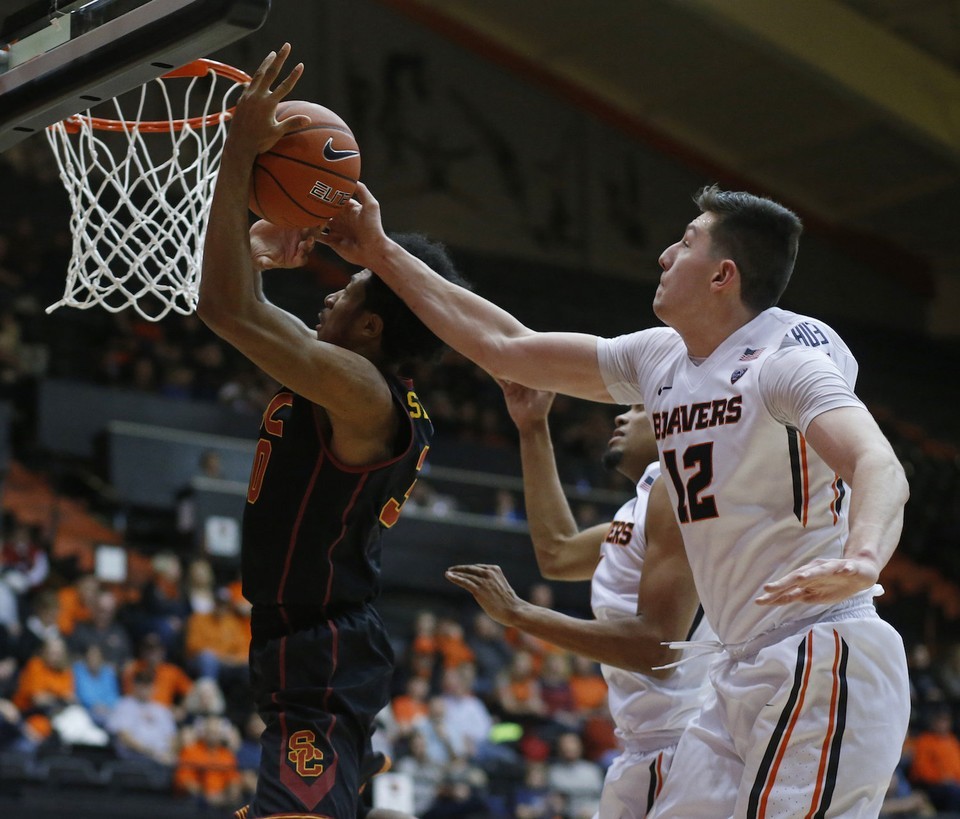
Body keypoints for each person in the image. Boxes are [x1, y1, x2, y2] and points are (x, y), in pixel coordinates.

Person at [318, 173, 912, 814]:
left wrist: (863, 557)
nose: (664, 255)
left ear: (723, 276)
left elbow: (878, 462)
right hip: (736, 668)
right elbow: (507, 347)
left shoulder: (784, 362)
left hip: (820, 649)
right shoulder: (661, 357)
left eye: (685, 243)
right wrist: (379, 251)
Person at [197, 45, 467, 819]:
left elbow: (228, 310)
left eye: (344, 292)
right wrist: (252, 242)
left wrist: (241, 161)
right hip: (314, 643)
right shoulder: (359, 386)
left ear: (373, 325)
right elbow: (231, 300)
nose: (327, 300)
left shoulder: (359, 389)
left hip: (321, 648)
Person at [449, 386, 714, 818]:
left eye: (638, 409)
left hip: (684, 746)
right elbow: (557, 552)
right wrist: (532, 427)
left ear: (676, 424)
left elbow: (654, 648)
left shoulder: (680, 492)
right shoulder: (640, 507)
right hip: (643, 746)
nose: (621, 418)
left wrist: (519, 613)